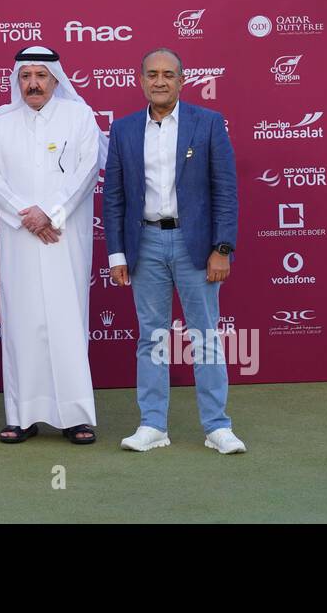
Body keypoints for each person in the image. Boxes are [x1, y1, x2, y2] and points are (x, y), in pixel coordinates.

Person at [102, 47, 245, 454]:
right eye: (152, 74)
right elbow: (113, 196)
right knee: (152, 338)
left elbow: (226, 191)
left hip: (196, 246)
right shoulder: (125, 129)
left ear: (182, 81)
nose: (160, 81)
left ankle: (217, 426)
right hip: (144, 244)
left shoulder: (208, 123)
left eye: (168, 74)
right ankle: (152, 426)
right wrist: (117, 254)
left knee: (206, 336)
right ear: (141, 80)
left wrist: (222, 248)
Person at [0, 46, 103, 445]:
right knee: (21, 322)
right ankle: (22, 415)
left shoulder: (79, 115)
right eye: (26, 76)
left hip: (63, 235)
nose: (33, 83)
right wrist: (25, 213)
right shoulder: (2, 120)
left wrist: (51, 213)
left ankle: (75, 415)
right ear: (18, 80)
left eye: (41, 75)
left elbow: (87, 171)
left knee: (68, 321)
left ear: (55, 79)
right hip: (19, 236)